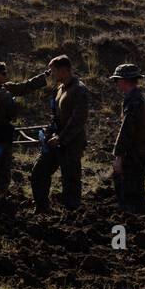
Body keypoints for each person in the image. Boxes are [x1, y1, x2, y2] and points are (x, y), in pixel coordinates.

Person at [0, 61, 47, 191]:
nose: (6, 75)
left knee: (4, 173)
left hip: (4, 139)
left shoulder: (6, 88)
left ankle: (1, 199)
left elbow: (25, 87)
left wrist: (44, 76)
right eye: (3, 73)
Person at [29, 55, 88, 213]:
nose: (50, 74)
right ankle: (42, 207)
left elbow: (78, 120)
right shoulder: (60, 89)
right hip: (54, 142)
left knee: (70, 181)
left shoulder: (79, 90)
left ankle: (72, 216)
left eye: (53, 70)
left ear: (63, 70)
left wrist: (61, 137)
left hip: (71, 143)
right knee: (39, 172)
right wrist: (49, 133)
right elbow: (55, 116)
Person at [108, 64, 145, 214]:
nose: (116, 84)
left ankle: (132, 226)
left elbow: (127, 130)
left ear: (124, 80)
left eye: (117, 80)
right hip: (142, 151)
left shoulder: (133, 100)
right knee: (137, 192)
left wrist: (118, 156)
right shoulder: (143, 97)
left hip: (132, 154)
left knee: (128, 192)